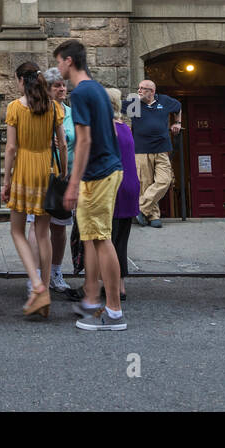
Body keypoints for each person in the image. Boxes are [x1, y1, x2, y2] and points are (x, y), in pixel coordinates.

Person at [56, 39, 126, 331]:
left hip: (97, 174)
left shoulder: (81, 93)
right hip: (104, 170)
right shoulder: (96, 88)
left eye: (58, 61)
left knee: (100, 238)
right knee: (91, 237)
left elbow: (84, 140)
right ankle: (92, 300)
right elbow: (109, 129)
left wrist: (73, 183)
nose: (57, 67)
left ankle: (113, 312)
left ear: (69, 61)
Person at [2, 62, 65, 318]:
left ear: (20, 80)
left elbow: (10, 149)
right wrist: (63, 174)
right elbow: (62, 144)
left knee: (17, 230)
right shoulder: (54, 107)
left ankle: (36, 282)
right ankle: (45, 289)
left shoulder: (15, 107)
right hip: (47, 169)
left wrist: (6, 180)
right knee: (43, 233)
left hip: (24, 169)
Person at [34, 67, 79, 299]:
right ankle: (39, 275)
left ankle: (56, 272)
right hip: (42, 175)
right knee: (40, 227)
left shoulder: (71, 113)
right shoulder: (38, 112)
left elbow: (76, 144)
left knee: (59, 227)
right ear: (48, 90)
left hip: (64, 177)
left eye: (64, 85)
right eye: (57, 86)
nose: (62, 89)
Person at [125, 78, 181, 228]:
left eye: (143, 88)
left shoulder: (164, 100)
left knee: (165, 180)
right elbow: (119, 109)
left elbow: (178, 107)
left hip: (162, 148)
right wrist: (136, 99)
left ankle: (140, 208)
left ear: (152, 91)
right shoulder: (135, 103)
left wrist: (178, 122)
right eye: (139, 87)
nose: (139, 90)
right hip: (141, 149)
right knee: (146, 183)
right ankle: (153, 216)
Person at [106, 86, 141, 298]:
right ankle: (120, 284)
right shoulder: (125, 127)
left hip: (115, 186)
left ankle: (114, 286)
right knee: (120, 239)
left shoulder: (106, 128)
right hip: (130, 184)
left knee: (108, 239)